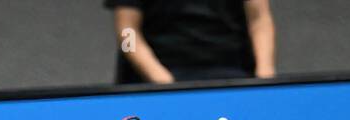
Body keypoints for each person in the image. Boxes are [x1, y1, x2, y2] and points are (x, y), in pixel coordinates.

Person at [107, 0, 276, 84]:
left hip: (233, 76)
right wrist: (164, 83)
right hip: (157, 82)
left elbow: (259, 19)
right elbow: (127, 32)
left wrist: (265, 78)